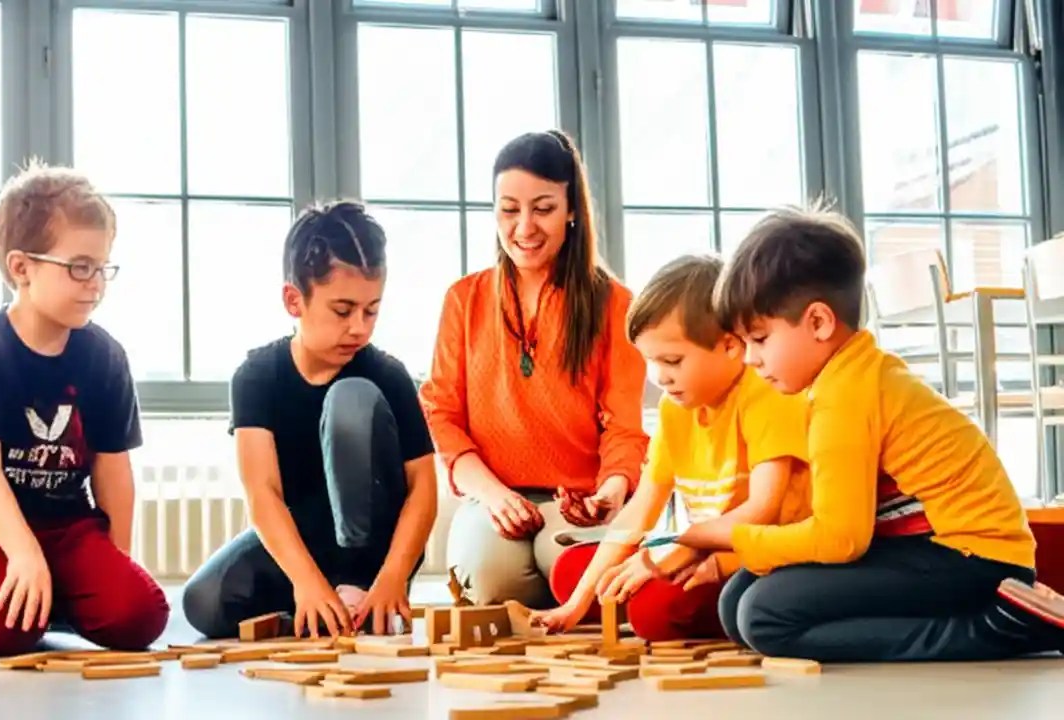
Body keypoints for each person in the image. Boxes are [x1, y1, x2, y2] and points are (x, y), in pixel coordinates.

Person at [711, 203, 1064, 662]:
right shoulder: (841, 379)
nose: (750, 359)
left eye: (759, 339)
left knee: (763, 616)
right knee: (738, 601)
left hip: (974, 558)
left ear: (818, 322)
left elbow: (841, 539)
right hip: (922, 547)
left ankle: (998, 627)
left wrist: (738, 540)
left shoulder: (847, 395)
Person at [0, 161, 169, 657]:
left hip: (64, 521)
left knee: (140, 616)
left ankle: (51, 592)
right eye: (79, 267)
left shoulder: (105, 357)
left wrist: (112, 569)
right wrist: (22, 551)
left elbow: (112, 470)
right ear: (21, 267)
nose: (95, 283)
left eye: (102, 267)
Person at [181, 200, 438, 640]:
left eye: (371, 310)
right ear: (293, 300)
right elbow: (262, 493)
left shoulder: (388, 375)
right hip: (306, 543)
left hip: (376, 550)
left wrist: (393, 577)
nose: (359, 327)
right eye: (343, 310)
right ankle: (319, 604)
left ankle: (359, 590)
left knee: (350, 399)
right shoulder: (257, 376)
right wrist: (306, 581)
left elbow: (423, 488)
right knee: (203, 602)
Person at [419, 130, 649, 609]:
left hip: (579, 502)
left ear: (571, 211)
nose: (524, 227)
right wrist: (494, 495)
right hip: (493, 498)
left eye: (543, 209)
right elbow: (440, 415)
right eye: (509, 209)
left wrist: (608, 494)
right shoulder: (464, 299)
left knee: (574, 569)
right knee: (496, 583)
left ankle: (573, 584)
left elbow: (624, 428)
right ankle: (565, 589)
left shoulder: (615, 305)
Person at [530, 254, 810, 640]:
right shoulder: (674, 407)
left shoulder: (766, 394)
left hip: (752, 558)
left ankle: (655, 600)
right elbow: (640, 510)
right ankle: (634, 594)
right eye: (651, 361)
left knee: (653, 612)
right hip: (695, 549)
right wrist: (575, 605)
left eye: (673, 361)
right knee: (569, 573)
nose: (660, 377)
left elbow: (763, 512)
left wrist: (664, 560)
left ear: (730, 346)